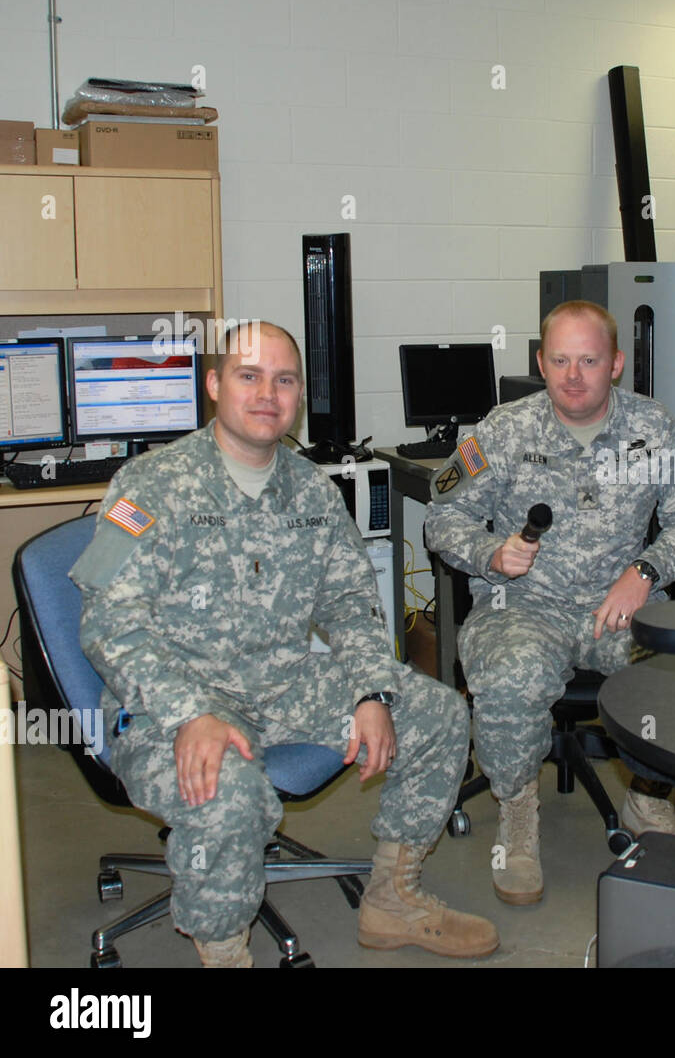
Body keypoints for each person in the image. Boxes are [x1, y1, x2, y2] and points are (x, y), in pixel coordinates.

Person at [71, 321, 499, 967]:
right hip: (173, 702)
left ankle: (392, 897)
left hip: (284, 681)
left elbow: (351, 602)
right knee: (230, 795)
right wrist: (192, 715)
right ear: (215, 385)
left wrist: (369, 690)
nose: (267, 393)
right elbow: (109, 622)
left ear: (298, 395)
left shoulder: (310, 489)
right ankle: (224, 953)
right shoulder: (150, 484)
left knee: (439, 712)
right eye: (249, 376)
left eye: (284, 379)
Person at [425, 300, 675, 905]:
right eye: (560, 359)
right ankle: (518, 810)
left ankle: (649, 796)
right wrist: (490, 555)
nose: (574, 375)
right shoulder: (504, 430)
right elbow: (444, 516)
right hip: (524, 605)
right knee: (509, 674)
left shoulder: (655, 428)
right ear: (540, 361)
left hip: (621, 605)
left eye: (589, 359)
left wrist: (646, 570)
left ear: (616, 363)